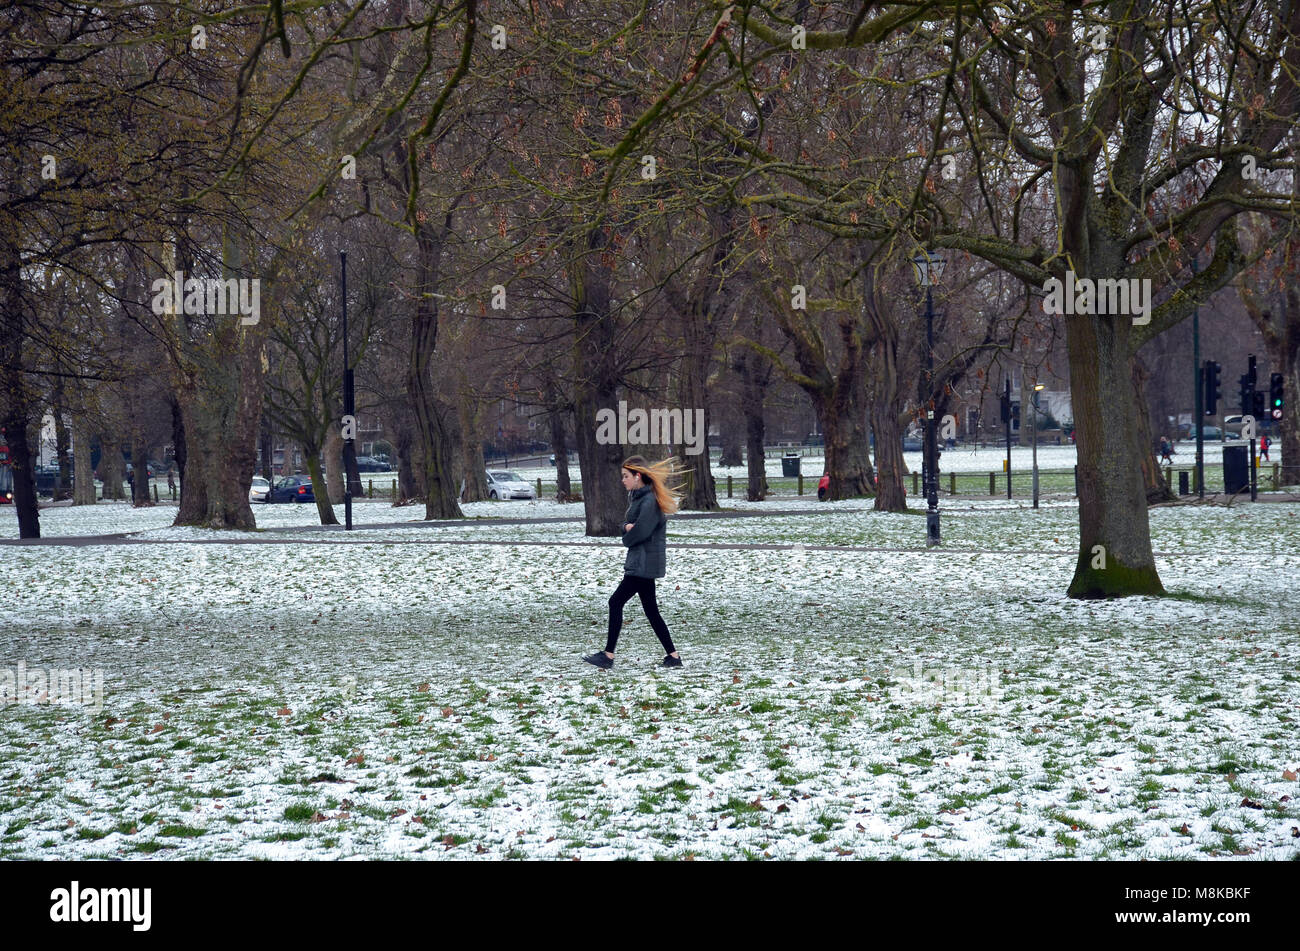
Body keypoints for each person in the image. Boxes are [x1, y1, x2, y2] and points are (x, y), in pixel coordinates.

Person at [583, 455, 683, 670]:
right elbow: (629, 525)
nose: (623, 480)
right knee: (651, 610)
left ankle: (608, 656)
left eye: (626, 476)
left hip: (642, 564)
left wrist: (627, 533)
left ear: (638, 476)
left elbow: (638, 533)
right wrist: (626, 527)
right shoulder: (641, 499)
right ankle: (673, 657)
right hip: (642, 563)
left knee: (615, 602)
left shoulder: (649, 502)